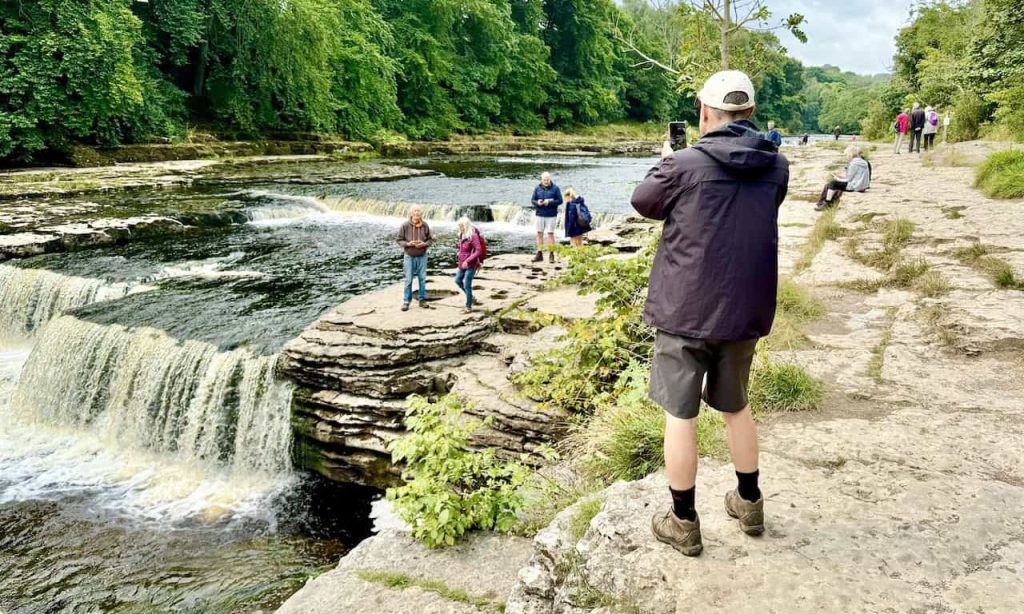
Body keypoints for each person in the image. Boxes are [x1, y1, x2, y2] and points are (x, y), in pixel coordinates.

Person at [631, 70, 789, 557]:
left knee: (681, 414)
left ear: (704, 112)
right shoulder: (777, 165)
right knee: (736, 405)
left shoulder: (683, 164)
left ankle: (683, 521)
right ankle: (749, 503)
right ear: (750, 112)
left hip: (686, 309)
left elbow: (643, 202)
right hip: (744, 309)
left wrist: (666, 161)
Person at [397, 205, 432, 311]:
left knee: (422, 279)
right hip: (409, 256)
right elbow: (399, 240)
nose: (417, 213)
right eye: (415, 211)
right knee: (408, 280)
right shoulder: (405, 225)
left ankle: (422, 300)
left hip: (422, 256)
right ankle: (406, 302)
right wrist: (408, 244)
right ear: (411, 213)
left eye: (419, 211)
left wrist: (424, 244)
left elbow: (430, 240)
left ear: (421, 213)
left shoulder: (425, 225)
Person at [815, 144, 872, 211]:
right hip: (862, 186)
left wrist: (838, 178)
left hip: (856, 186)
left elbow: (849, 179)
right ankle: (824, 203)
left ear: (850, 154)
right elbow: (856, 176)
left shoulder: (854, 163)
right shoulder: (864, 162)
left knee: (833, 183)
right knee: (830, 185)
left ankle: (827, 203)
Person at [530, 172, 563, 263]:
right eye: (544, 180)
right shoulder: (537, 188)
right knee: (539, 233)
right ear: (542, 180)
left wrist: (549, 202)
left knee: (550, 234)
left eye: (547, 180)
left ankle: (551, 254)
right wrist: (537, 202)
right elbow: (532, 200)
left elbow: (560, 201)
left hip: (551, 215)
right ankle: (539, 254)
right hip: (540, 214)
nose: (546, 182)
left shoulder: (556, 188)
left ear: (550, 179)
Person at [454, 217, 483, 314]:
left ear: (466, 226)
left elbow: (478, 251)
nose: (460, 228)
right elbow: (463, 248)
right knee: (457, 280)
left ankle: (468, 307)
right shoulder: (461, 234)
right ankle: (471, 297)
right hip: (461, 263)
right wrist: (459, 252)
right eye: (459, 226)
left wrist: (468, 260)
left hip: (471, 264)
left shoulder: (473, 236)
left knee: (467, 285)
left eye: (461, 226)